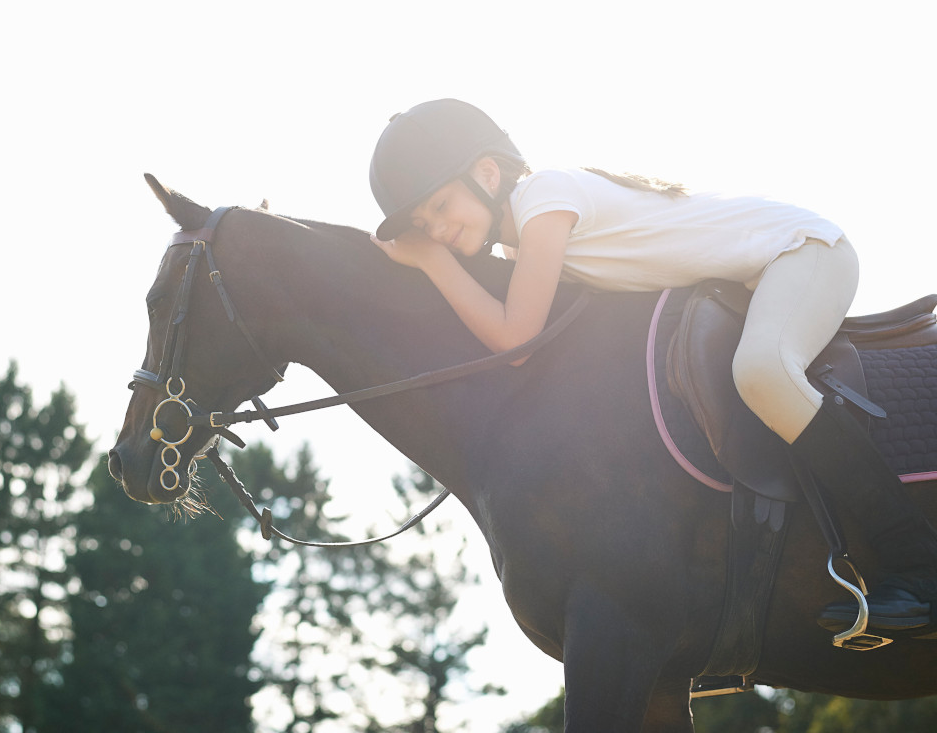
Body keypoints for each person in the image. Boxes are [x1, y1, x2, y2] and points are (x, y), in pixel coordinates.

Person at [367, 97, 937, 634]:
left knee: (762, 371)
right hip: (758, 279)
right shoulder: (524, 243)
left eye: (440, 206)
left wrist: (433, 262)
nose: (436, 230)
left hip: (803, 251)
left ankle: (917, 563)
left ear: (488, 175)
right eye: (424, 223)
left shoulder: (544, 198)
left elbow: (516, 341)